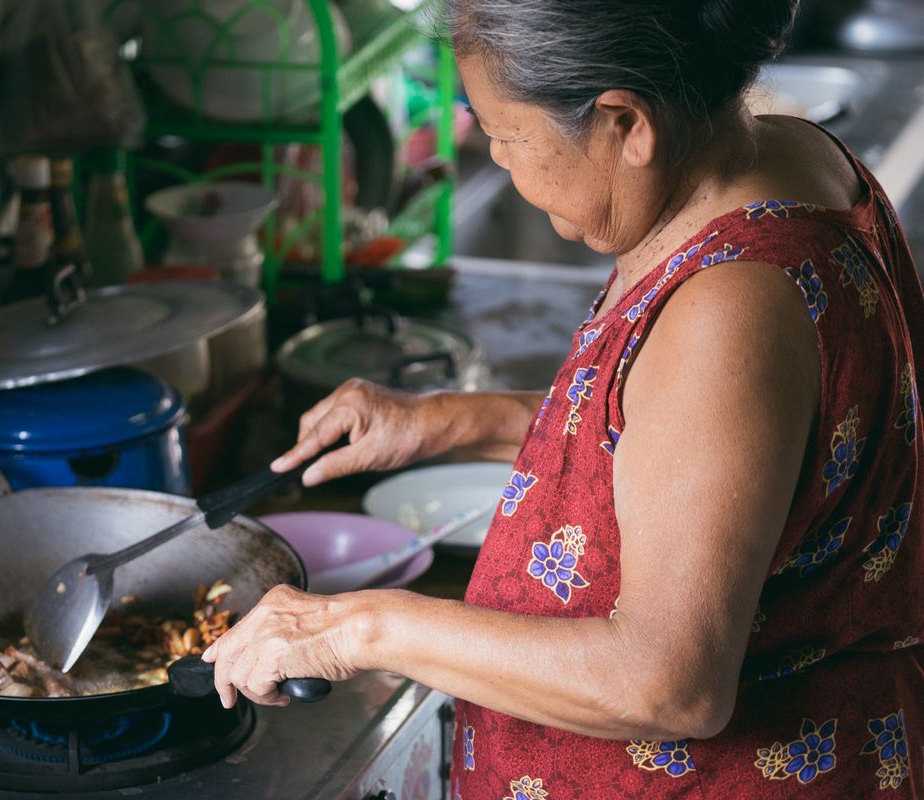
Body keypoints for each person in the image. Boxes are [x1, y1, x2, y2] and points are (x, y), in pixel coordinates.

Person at [201, 0, 923, 795]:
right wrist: (445, 422)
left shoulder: (729, 306)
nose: (503, 165)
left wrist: (357, 628)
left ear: (624, 122)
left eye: (507, 137)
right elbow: (683, 450)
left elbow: (665, 683)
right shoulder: (785, 159)